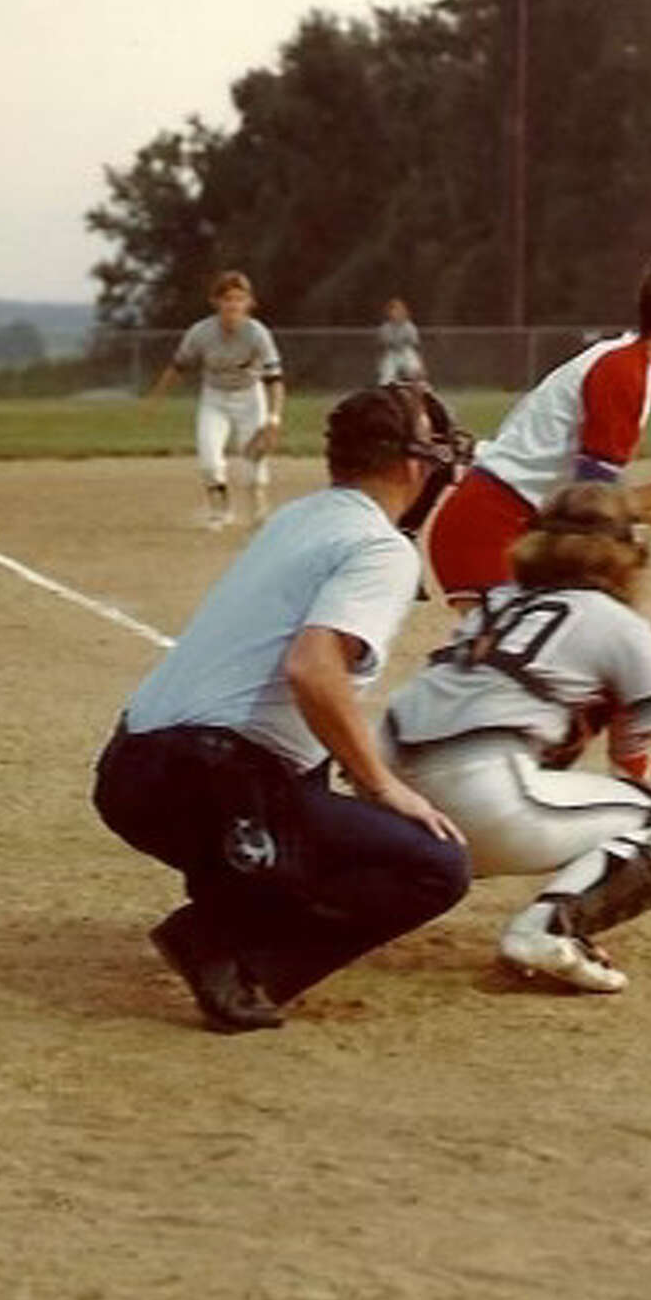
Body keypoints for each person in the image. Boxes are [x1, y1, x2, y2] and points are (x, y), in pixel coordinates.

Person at [92, 383, 471, 1035]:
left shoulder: (301, 515)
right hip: (203, 779)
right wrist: (382, 787)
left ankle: (237, 895)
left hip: (133, 769)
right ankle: (225, 946)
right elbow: (313, 669)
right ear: (415, 465)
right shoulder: (382, 548)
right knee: (434, 864)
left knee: (309, 777)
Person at [380, 481, 651, 994]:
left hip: (388, 790)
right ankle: (547, 929)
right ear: (630, 554)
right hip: (479, 792)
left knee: (538, 767)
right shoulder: (618, 623)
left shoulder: (498, 602)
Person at [427, 244, 651, 606]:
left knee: (541, 651)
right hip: (492, 530)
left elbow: (595, 497)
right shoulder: (625, 374)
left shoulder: (628, 363)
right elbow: (593, 510)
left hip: (503, 525)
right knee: (551, 648)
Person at [147, 270, 284, 529]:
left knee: (254, 455)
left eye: (239, 298)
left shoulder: (257, 334)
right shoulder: (201, 332)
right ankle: (220, 509)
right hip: (215, 397)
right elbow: (178, 366)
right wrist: (156, 397)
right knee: (209, 457)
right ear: (215, 302)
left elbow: (275, 379)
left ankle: (258, 506)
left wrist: (274, 418)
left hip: (250, 396)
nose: (233, 305)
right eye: (227, 298)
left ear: (249, 303)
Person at [376, 297, 425, 385]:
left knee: (415, 371)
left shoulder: (409, 327)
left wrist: (421, 364)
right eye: (392, 310)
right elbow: (383, 346)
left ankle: (421, 391)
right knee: (385, 378)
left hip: (406, 351)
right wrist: (381, 362)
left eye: (397, 310)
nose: (394, 313)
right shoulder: (385, 328)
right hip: (392, 352)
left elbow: (415, 346)